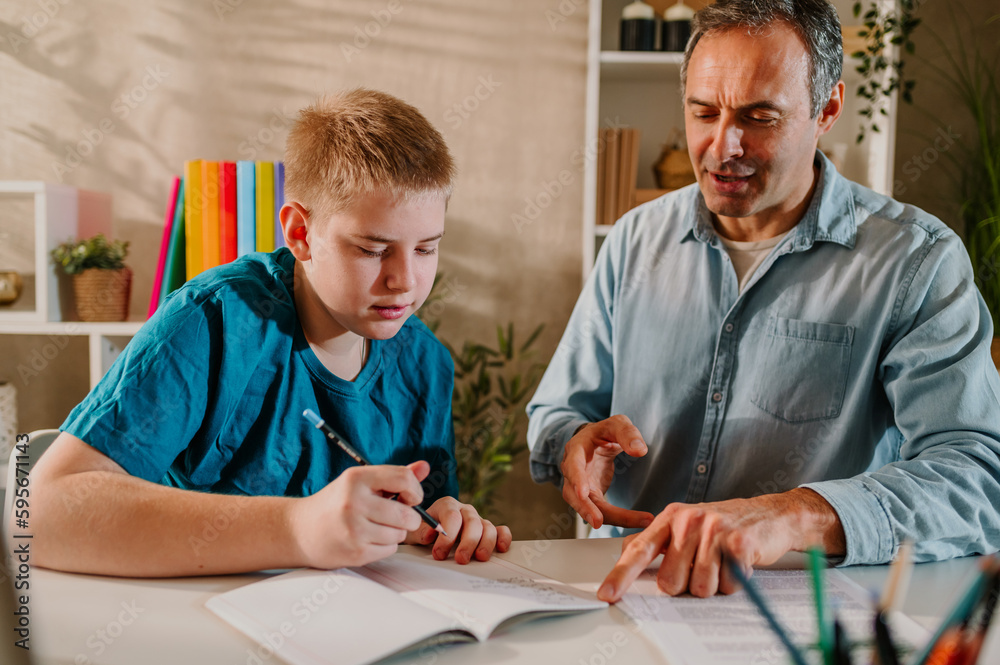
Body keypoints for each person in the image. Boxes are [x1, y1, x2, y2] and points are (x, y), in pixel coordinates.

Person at [527, 0, 1000, 602]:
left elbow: (978, 476)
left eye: (760, 116)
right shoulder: (634, 239)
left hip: (798, 617)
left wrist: (795, 515)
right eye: (703, 112)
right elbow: (556, 414)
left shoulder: (917, 261)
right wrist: (574, 441)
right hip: (625, 598)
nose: (723, 146)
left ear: (827, 108)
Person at [29, 89, 512, 577]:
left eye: (427, 249)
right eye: (372, 249)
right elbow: (42, 515)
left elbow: (409, 531)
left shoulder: (426, 365)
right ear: (300, 233)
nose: (405, 281)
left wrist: (437, 523)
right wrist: (299, 528)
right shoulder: (212, 322)